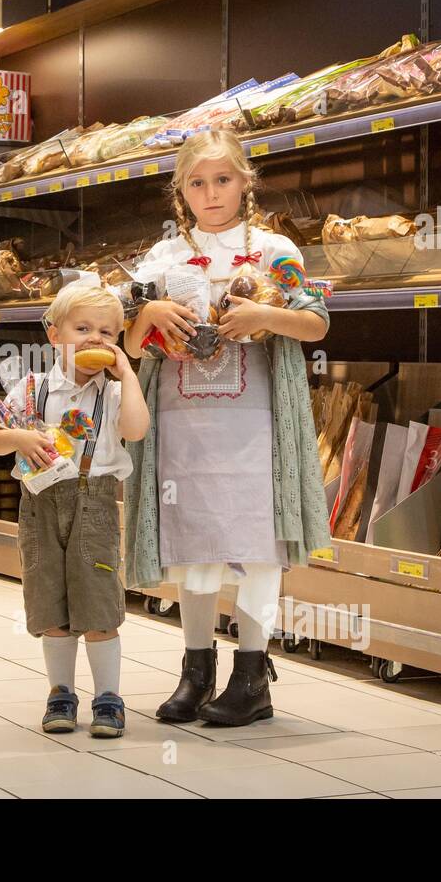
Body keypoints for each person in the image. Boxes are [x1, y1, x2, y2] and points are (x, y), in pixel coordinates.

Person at [123, 128, 331, 727]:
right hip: (182, 423)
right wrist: (150, 314)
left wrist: (266, 313)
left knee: (256, 542)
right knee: (192, 545)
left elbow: (315, 324)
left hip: (254, 425)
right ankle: (195, 672)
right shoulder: (161, 260)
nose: (210, 193)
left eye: (223, 179)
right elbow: (130, 341)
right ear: (179, 191)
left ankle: (251, 674)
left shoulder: (273, 251)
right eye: (196, 182)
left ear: (246, 182)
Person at [0, 284, 148, 738]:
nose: (96, 338)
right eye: (83, 328)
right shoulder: (32, 388)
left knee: (97, 601)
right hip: (38, 505)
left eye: (107, 332)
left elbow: (136, 431)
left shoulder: (113, 395)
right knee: (48, 602)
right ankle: (60, 693)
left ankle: (108, 699)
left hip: (93, 501)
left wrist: (128, 375)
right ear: (55, 336)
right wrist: (20, 438)